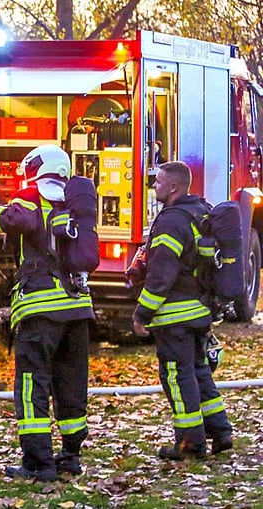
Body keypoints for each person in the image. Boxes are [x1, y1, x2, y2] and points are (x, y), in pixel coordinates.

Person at [0, 144, 94, 482]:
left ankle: (37, 462)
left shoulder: (31, 194)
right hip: (78, 308)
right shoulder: (76, 201)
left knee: (31, 383)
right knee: (71, 382)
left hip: (41, 309)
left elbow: (13, 219)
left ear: (37, 166)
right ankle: (71, 455)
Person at [133, 161, 233, 459]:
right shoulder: (199, 210)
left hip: (175, 316)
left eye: (159, 182)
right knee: (199, 371)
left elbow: (161, 275)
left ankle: (190, 444)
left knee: (178, 376)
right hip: (199, 312)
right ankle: (221, 430)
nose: (154, 187)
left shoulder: (171, 221)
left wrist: (142, 315)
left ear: (174, 187)